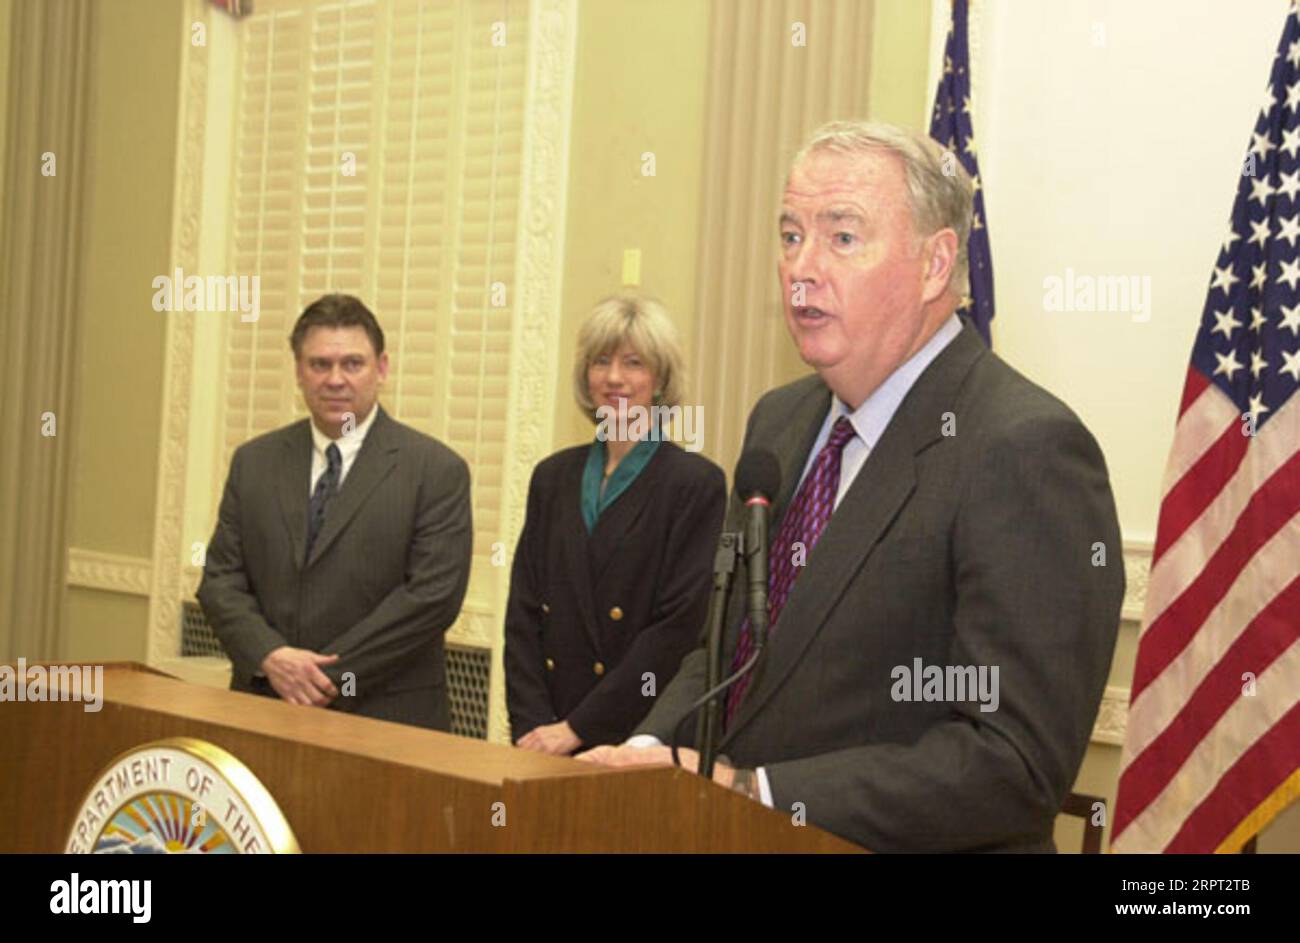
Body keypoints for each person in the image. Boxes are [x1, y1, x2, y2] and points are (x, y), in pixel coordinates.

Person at [577, 121, 1125, 852]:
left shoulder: (1023, 447)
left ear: (935, 265)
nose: (800, 268)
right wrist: (645, 756)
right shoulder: (779, 420)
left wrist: (758, 792)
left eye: (841, 238)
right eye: (789, 234)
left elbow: (1012, 758)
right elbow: (726, 652)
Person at [197, 293, 472, 730]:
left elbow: (431, 599)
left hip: (386, 722)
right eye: (320, 364)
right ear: (299, 372)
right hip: (266, 708)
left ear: (381, 369)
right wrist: (271, 657)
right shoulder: (255, 462)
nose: (335, 379)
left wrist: (321, 678)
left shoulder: (435, 470)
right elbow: (220, 580)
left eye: (352, 364)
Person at [504, 292, 726, 754]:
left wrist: (577, 729)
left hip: (632, 735)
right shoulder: (552, 476)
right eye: (600, 361)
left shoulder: (694, 484)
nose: (614, 378)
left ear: (661, 380)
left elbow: (676, 631)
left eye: (634, 363)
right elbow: (524, 614)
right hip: (542, 735)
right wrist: (532, 725)